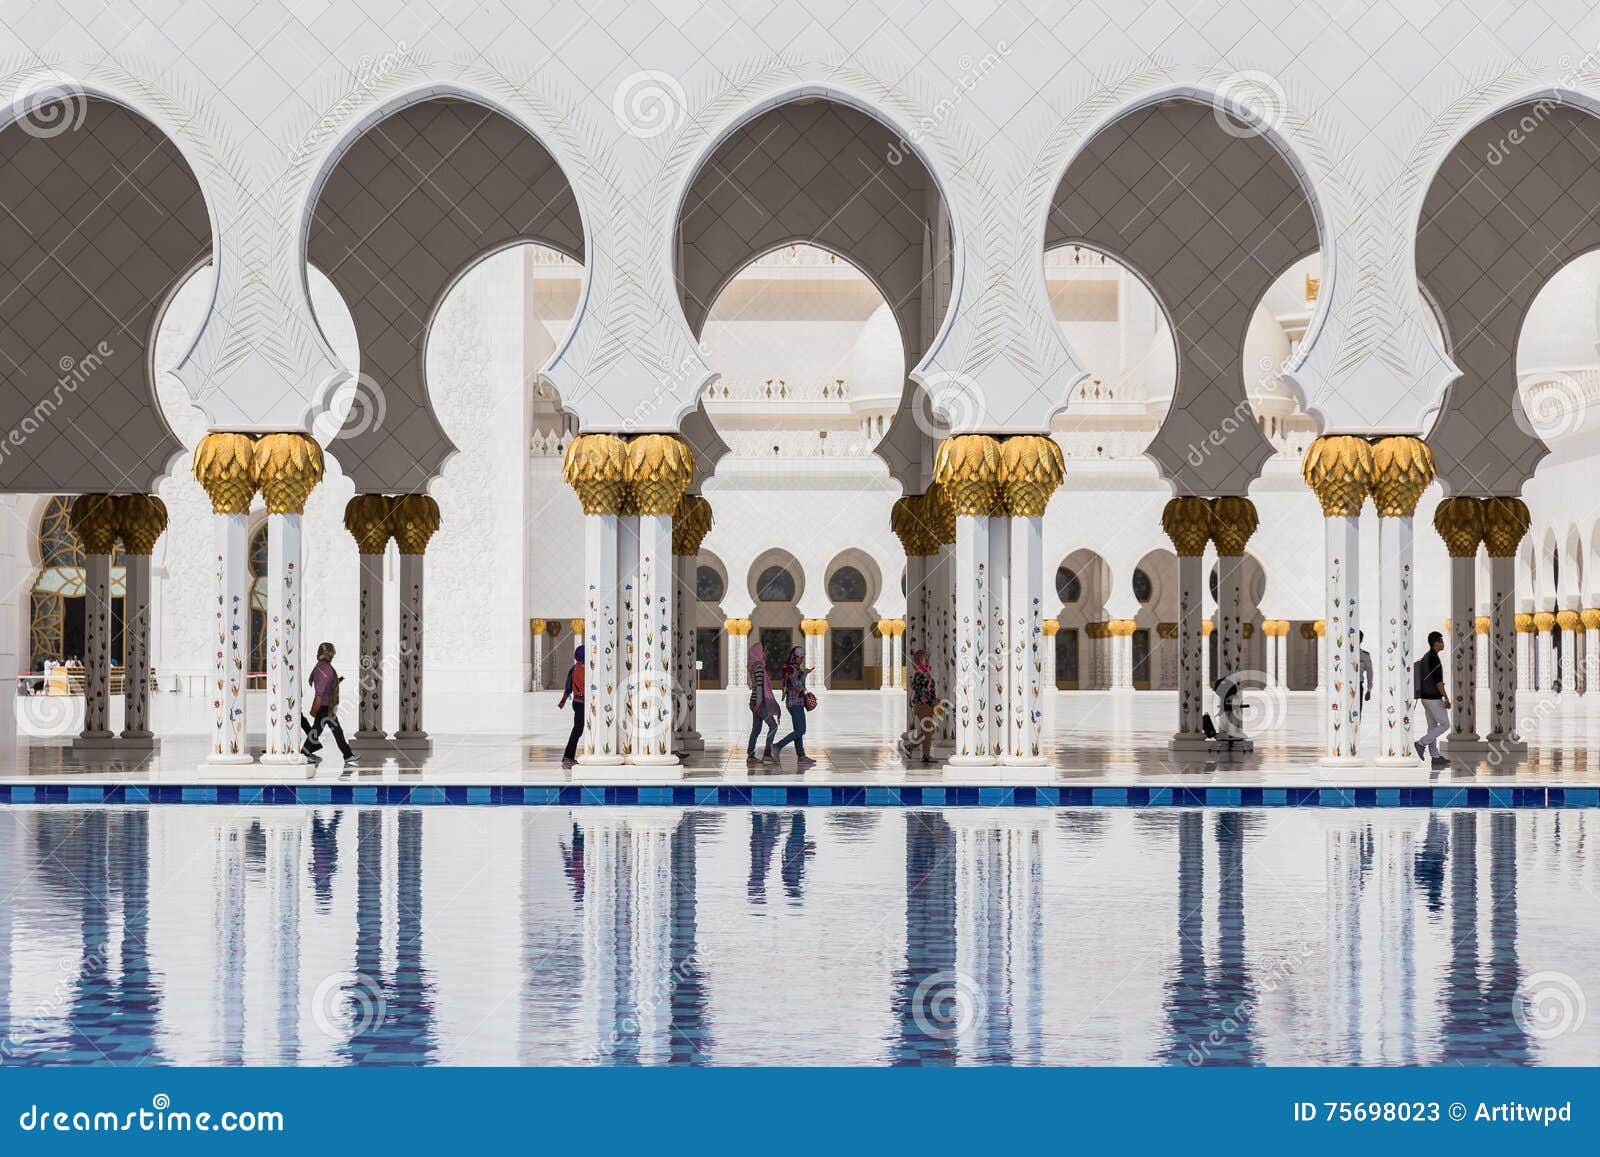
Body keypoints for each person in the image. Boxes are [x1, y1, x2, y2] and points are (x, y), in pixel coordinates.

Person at [301, 642, 355, 764]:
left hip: (324, 706)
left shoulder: (320, 666)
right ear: (328, 654)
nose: (333, 656)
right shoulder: (325, 668)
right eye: (332, 654)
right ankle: (347, 755)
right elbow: (320, 690)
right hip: (325, 707)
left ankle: (347, 755)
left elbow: (326, 684)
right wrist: (316, 707)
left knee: (331, 731)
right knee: (332, 731)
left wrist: (337, 681)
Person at [772, 645, 815, 770]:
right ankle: (777, 746)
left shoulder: (795, 668)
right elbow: (797, 685)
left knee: (798, 730)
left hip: (797, 703)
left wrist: (804, 673)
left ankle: (801, 756)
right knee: (801, 730)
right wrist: (805, 674)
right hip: (794, 703)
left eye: (803, 658)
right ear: (794, 657)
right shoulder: (790, 669)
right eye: (801, 657)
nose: (802, 660)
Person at [1414, 629, 1451, 768]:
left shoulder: (1426, 656)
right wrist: (1446, 698)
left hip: (1425, 697)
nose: (1443, 643)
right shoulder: (1434, 658)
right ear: (1435, 643)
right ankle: (1421, 743)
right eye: (1441, 641)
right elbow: (1438, 682)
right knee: (1445, 724)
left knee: (1432, 727)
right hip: (1433, 698)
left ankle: (1435, 756)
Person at [746, 641, 779, 764]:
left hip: (754, 701)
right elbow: (759, 686)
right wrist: (759, 704)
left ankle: (751, 756)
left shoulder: (754, 665)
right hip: (759, 702)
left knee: (756, 729)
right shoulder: (759, 667)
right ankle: (767, 754)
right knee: (773, 726)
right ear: (759, 652)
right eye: (764, 650)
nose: (766, 653)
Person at [907, 648, 938, 764]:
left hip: (922, 706)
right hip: (924, 706)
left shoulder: (920, 673)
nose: (927, 660)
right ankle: (920, 753)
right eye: (925, 658)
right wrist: (933, 701)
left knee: (928, 730)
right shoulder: (922, 674)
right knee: (928, 730)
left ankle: (916, 750)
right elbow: (923, 691)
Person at [559, 645, 586, 768]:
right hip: (582, 704)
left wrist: (563, 701)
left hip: (577, 702)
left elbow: (568, 687)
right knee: (577, 730)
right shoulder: (585, 670)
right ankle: (568, 757)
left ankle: (568, 756)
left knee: (578, 730)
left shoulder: (574, 669)